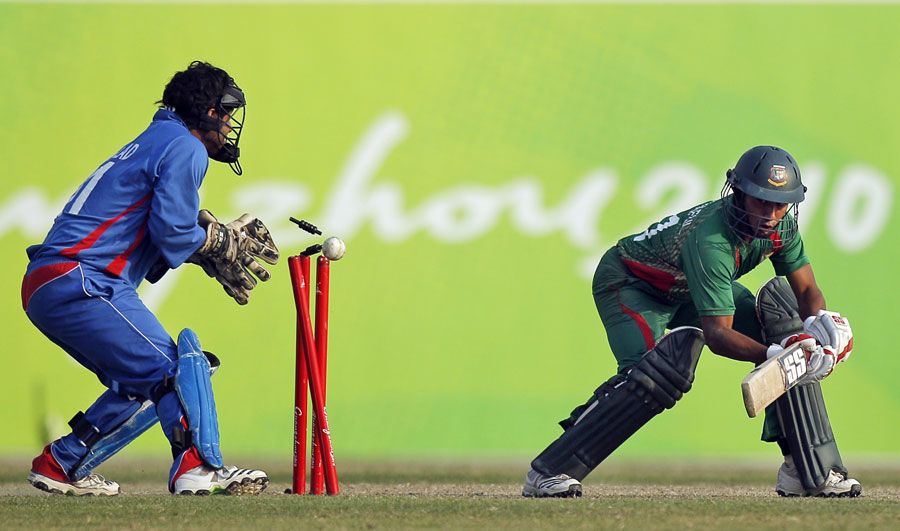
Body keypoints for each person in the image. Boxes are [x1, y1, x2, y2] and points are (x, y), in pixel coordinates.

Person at [522, 146, 861, 498]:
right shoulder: (711, 240)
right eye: (762, 201)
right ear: (740, 193)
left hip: (688, 286)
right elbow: (718, 335)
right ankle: (551, 470)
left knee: (783, 318)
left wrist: (822, 327)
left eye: (780, 204)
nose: (771, 215)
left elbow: (806, 290)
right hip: (632, 283)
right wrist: (782, 355)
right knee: (651, 378)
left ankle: (805, 469)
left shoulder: (782, 227)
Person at [22, 61, 279, 496]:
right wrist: (214, 241)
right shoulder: (186, 146)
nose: (230, 124)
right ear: (207, 110)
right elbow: (174, 232)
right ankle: (198, 467)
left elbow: (160, 233)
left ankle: (61, 462)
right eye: (226, 112)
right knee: (179, 371)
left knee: (140, 383)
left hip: (54, 281)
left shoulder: (157, 138)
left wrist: (207, 248)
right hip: (83, 278)